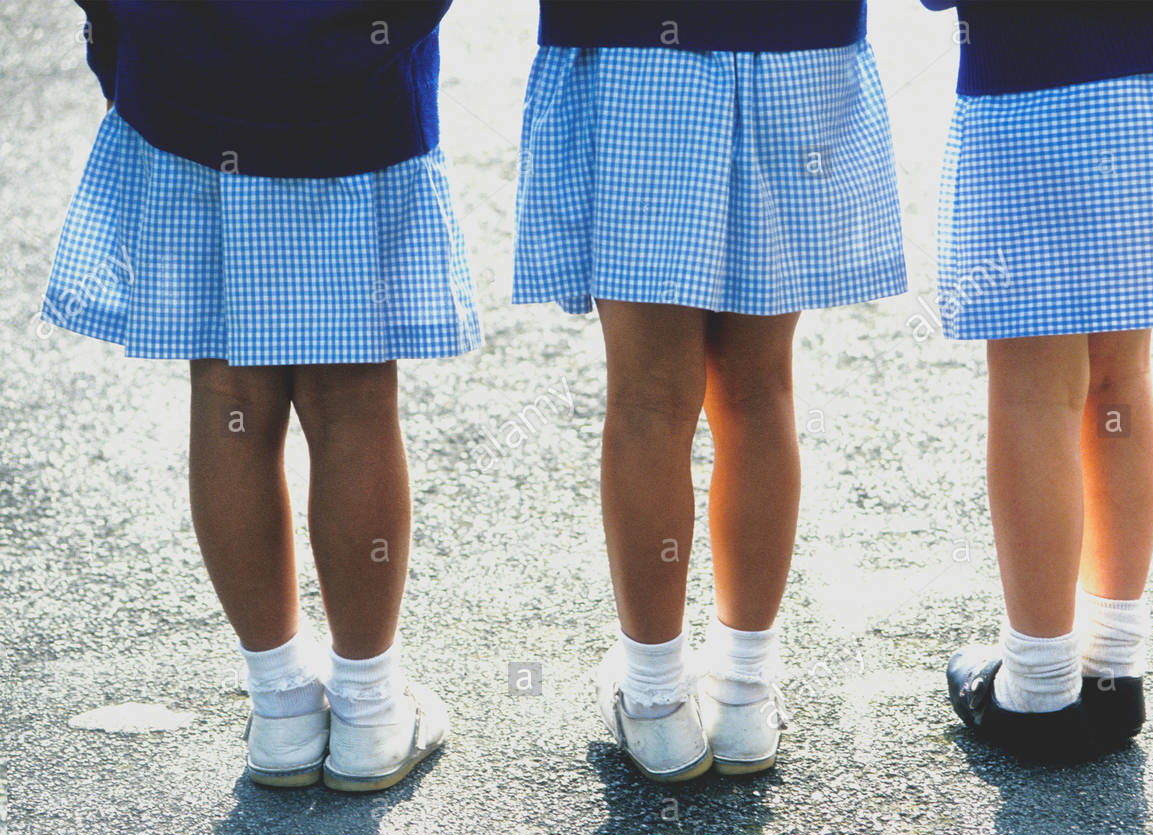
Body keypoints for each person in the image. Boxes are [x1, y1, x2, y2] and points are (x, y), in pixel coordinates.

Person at [45, 1, 478, 791]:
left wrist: (125, 39)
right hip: (352, 92)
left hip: (184, 77)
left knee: (225, 395)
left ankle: (280, 708)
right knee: (352, 400)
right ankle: (372, 711)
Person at [513, 0, 907, 780]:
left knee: (647, 401)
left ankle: (656, 702)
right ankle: (743, 695)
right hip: (800, 53)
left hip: (637, 54)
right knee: (760, 391)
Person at [920, 0, 1153, 759]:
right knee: (1120, 379)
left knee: (1034, 390)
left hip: (1040, 72)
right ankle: (1115, 670)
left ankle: (1039, 687)